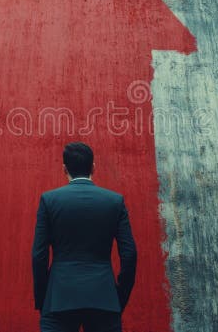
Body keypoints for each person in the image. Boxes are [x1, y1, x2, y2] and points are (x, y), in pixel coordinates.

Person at [32, 142, 137, 332]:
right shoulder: (114, 201)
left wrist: (43, 299)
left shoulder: (49, 200)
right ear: (93, 167)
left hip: (59, 298)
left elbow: (39, 256)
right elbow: (129, 254)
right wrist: (118, 298)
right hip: (104, 297)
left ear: (64, 169)